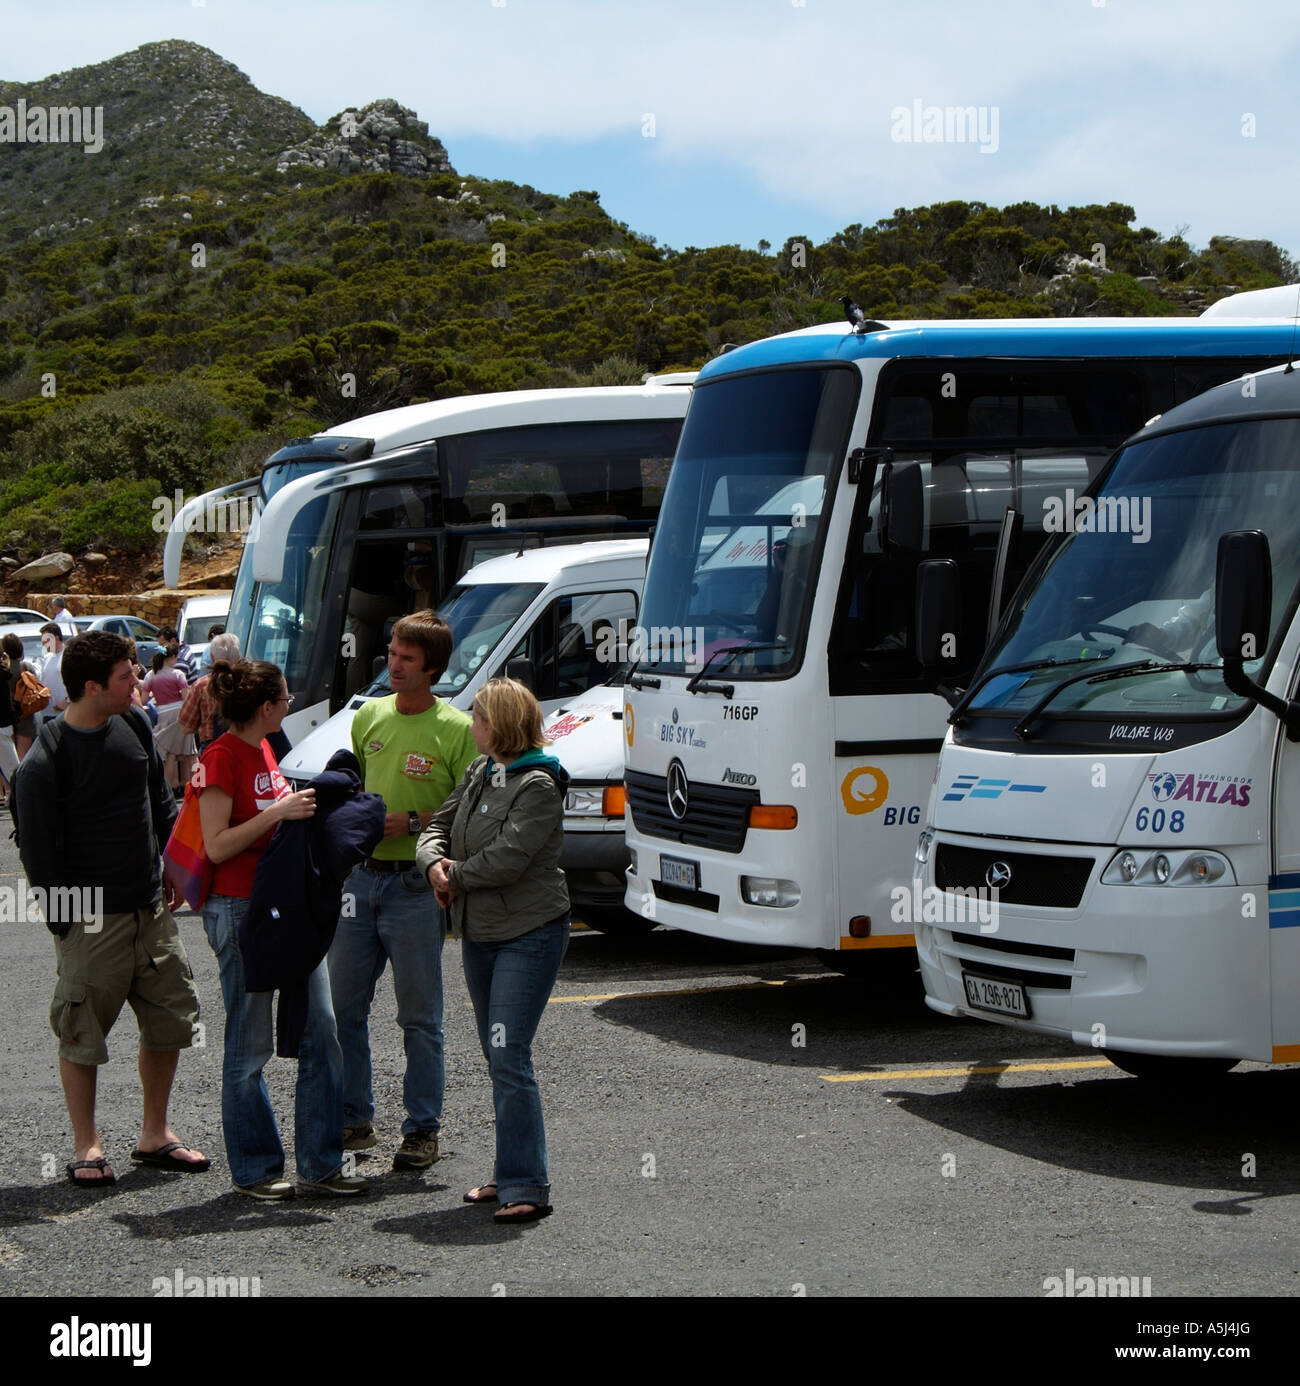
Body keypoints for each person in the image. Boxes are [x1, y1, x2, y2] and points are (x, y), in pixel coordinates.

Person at [12, 631, 208, 1187]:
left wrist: (173, 867)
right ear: (93, 687)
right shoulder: (45, 759)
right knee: (82, 1032)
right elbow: (38, 854)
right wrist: (69, 926)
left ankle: (155, 1134)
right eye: (127, 676)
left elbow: (160, 803)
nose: (139, 682)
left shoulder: (134, 725)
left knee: (170, 1020)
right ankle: (87, 1145)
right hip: (91, 919)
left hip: (151, 907)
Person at [196, 658, 365, 1201]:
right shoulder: (220, 756)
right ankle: (255, 1171)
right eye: (286, 699)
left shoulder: (266, 747)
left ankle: (321, 1164)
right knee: (249, 1049)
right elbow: (217, 845)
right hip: (241, 911)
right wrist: (281, 812)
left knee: (323, 1033)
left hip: (282, 909)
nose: (291, 705)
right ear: (265, 707)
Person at [417, 677, 570, 1224]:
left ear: (498, 723)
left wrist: (451, 876)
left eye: (478, 716)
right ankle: (512, 1174)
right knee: (496, 1054)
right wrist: (433, 861)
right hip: (482, 933)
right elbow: (437, 824)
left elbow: (508, 860)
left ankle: (527, 1185)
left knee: (509, 1056)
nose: (471, 725)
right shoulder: (481, 770)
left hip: (530, 933)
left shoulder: (538, 785)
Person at [328, 611, 476, 1170]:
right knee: (344, 1009)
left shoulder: (456, 730)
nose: (393, 664)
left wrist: (413, 824)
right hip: (360, 881)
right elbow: (356, 793)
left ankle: (421, 1130)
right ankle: (353, 1120)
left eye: (406, 659)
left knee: (419, 1018)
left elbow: (466, 814)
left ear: (432, 668)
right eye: (391, 653)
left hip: (416, 887)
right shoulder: (369, 717)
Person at [179, 632, 240, 754]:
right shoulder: (248, 682)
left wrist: (205, 724)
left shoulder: (201, 686)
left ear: (212, 657)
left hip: (212, 749)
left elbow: (185, 727)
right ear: (238, 656)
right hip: (244, 746)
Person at [143, 646, 192, 792]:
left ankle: (172, 785)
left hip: (163, 713)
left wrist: (155, 696)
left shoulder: (150, 675)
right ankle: (192, 782)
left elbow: (144, 698)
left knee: (169, 752)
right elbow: (186, 697)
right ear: (171, 658)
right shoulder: (178, 674)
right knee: (189, 751)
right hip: (180, 712)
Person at [3, 631, 40, 758]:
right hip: (26, 715)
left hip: (7, 715)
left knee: (10, 756)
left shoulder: (4, 669)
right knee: (24, 755)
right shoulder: (25, 667)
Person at [38, 624, 69, 723]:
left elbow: (78, 682)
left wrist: (67, 701)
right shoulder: (46, 658)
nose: (44, 644)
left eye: (46, 640)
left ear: (56, 638)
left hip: (65, 713)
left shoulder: (68, 656)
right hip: (47, 713)